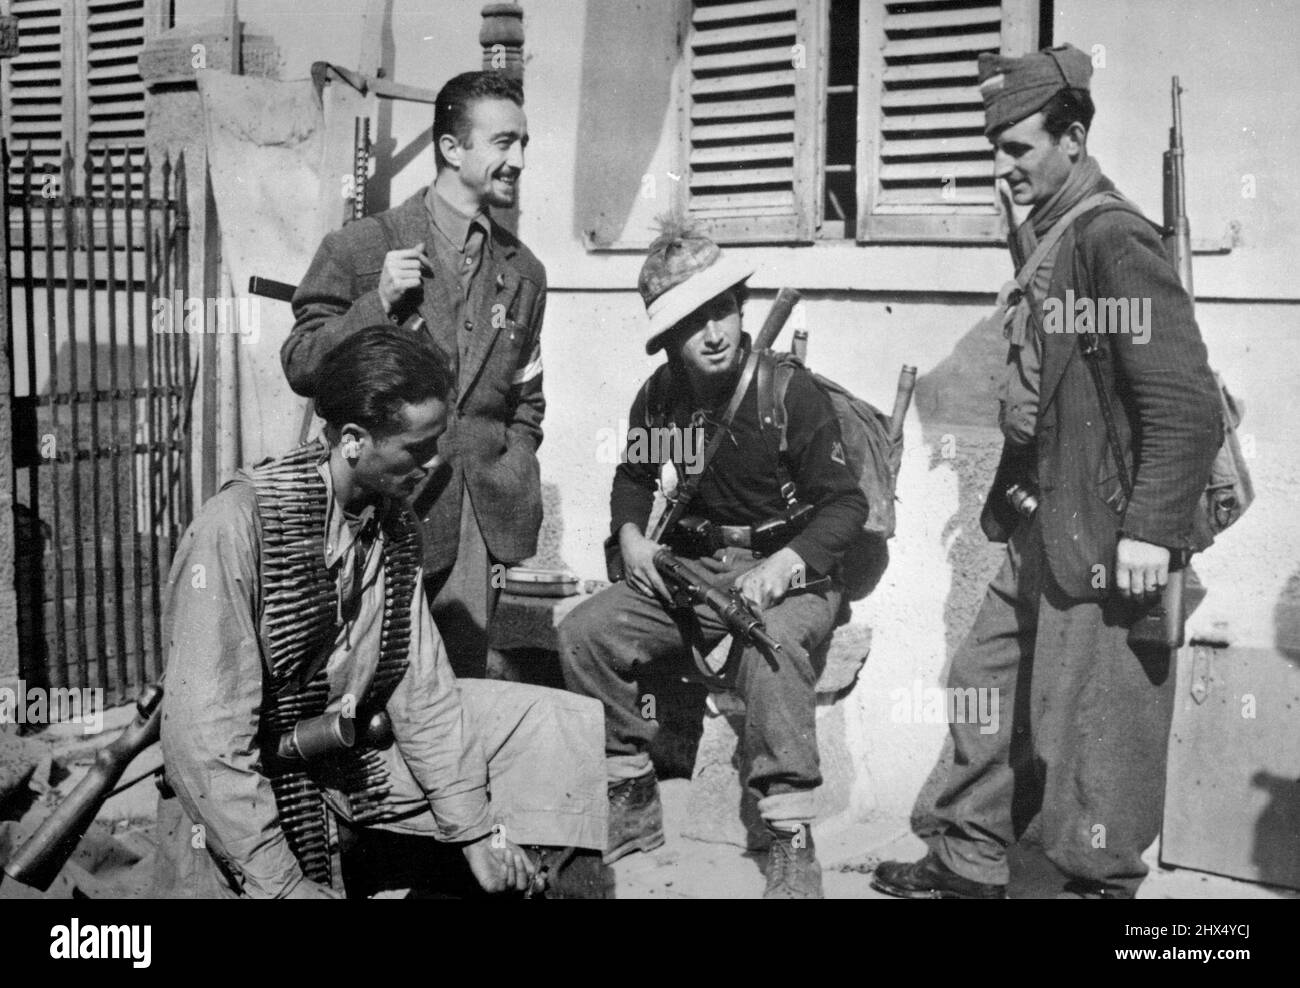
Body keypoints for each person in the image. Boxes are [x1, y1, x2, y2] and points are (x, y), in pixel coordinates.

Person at [872, 44, 1221, 900]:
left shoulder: (1112, 238)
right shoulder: (1053, 231)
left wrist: (1149, 530)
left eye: (1018, 149)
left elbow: (1185, 403)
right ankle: (968, 856)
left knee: (1096, 728)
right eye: (995, 149)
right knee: (982, 679)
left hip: (1109, 525)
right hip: (1046, 515)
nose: (1003, 167)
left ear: (1071, 138)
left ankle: (1095, 887)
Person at [152, 327, 607, 898]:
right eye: (416, 448)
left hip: (343, 761)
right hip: (248, 789)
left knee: (548, 717)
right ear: (352, 440)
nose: (434, 461)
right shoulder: (238, 526)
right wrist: (285, 887)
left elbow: (422, 689)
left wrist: (475, 834)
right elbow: (206, 747)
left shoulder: (393, 524)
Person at [556, 222, 869, 899]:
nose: (715, 333)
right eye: (693, 322)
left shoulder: (787, 393)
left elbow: (845, 507)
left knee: (774, 645)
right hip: (693, 573)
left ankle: (790, 837)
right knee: (583, 633)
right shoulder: (663, 396)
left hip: (793, 575)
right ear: (669, 338)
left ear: (740, 307)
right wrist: (633, 537)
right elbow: (633, 478)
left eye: (722, 311)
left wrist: (784, 564)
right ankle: (631, 794)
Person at [284, 71, 546, 678]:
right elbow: (301, 363)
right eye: (504, 142)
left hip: (478, 523)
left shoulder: (525, 271)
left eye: (524, 143)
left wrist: (511, 461)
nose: (519, 160)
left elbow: (528, 397)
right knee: (357, 682)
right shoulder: (362, 248)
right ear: (452, 149)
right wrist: (375, 304)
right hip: (378, 508)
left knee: (455, 689)